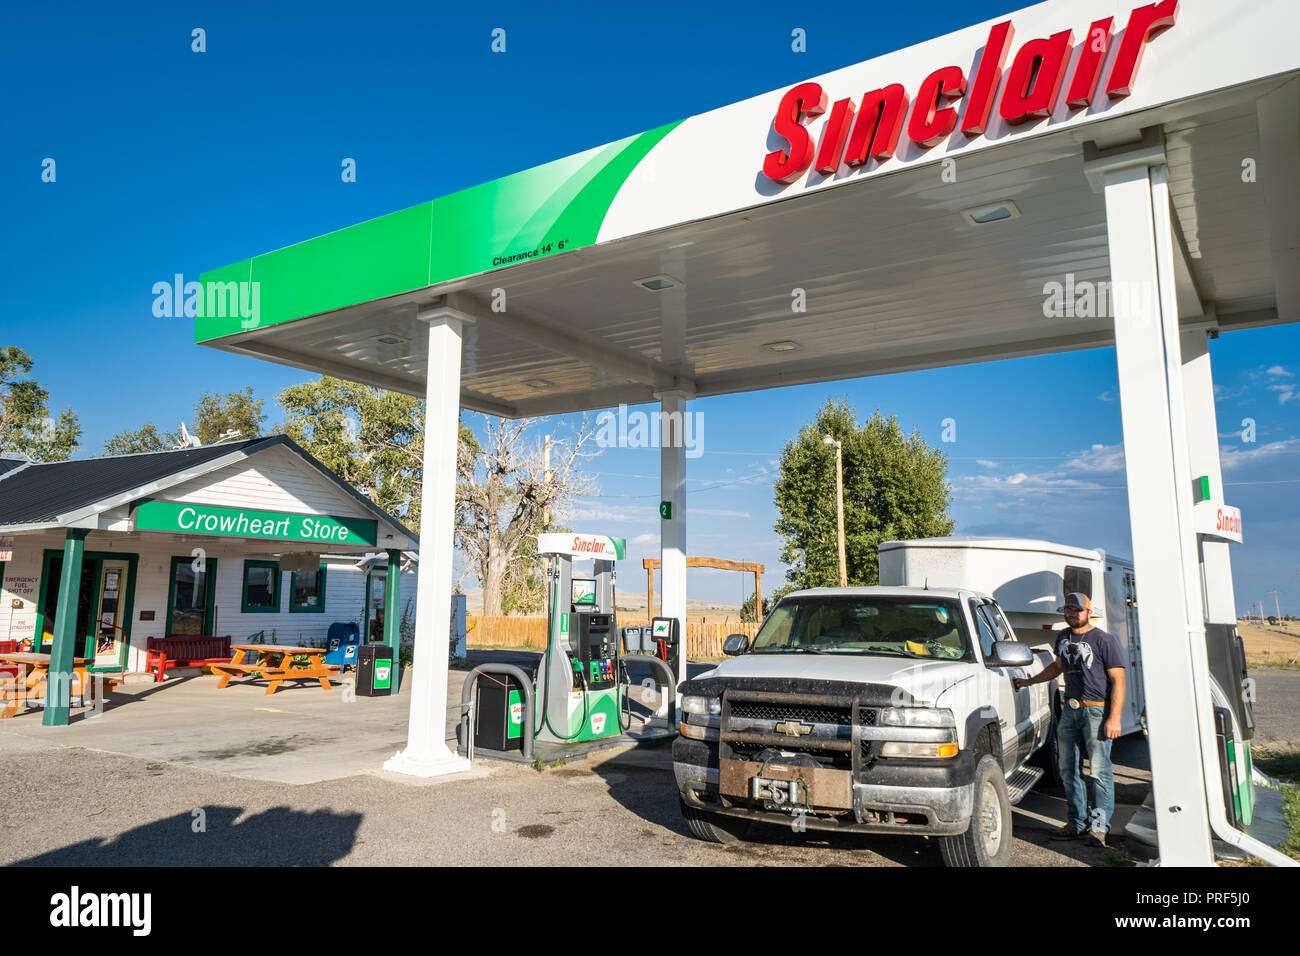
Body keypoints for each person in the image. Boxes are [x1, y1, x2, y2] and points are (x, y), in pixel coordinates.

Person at [1014, 592, 1126, 848]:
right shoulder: (1063, 636)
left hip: (1096, 711)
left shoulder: (1104, 640)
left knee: (1099, 770)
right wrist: (1030, 681)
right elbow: (1057, 667)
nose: (1072, 613)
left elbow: (1118, 680)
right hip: (1070, 710)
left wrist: (1115, 718)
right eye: (1068, 609)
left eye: (1077, 609)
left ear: (1089, 612)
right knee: (1068, 769)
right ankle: (1076, 823)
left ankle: (1098, 827)